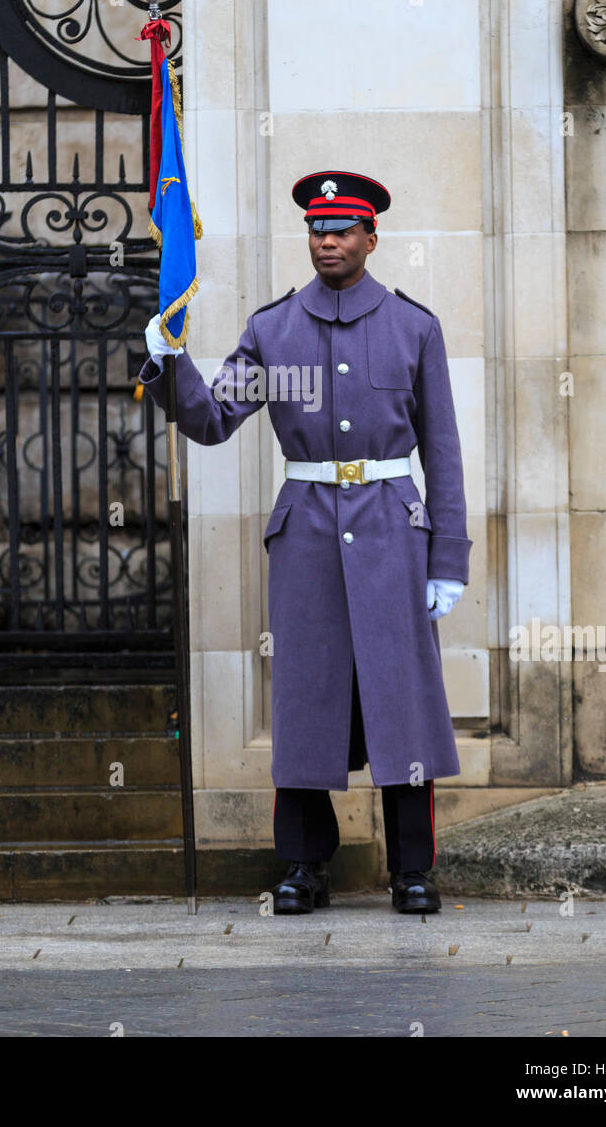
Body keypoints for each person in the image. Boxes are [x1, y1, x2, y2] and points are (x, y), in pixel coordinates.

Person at [139, 170, 471, 915]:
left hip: (392, 528)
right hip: (309, 533)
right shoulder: (275, 328)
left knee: (402, 701)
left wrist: (448, 558)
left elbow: (443, 453)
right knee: (307, 701)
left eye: (343, 229)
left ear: (370, 238)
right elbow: (214, 418)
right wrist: (168, 361)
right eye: (318, 230)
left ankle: (413, 870)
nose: (328, 241)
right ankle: (302, 866)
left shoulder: (414, 328)